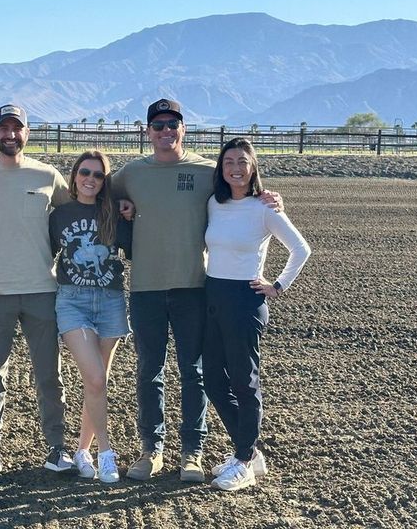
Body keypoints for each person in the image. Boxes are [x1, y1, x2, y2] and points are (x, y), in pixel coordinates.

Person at [112, 99, 282, 483]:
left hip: (193, 287)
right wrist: (121, 205)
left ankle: (192, 452)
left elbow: (243, 186)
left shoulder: (207, 171)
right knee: (149, 370)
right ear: (147, 131)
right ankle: (151, 449)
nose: (165, 131)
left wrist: (271, 198)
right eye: (158, 125)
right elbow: (94, 189)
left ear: (183, 129)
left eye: (173, 124)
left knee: (194, 370)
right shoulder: (131, 173)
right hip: (145, 288)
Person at [0, 104, 74, 476]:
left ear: (27, 133)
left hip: (42, 289)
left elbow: (76, 215)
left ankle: (57, 448)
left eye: (17, 128)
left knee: (49, 373)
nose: (10, 134)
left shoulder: (48, 175)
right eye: (3, 128)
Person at [203, 137, 311, 491]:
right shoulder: (213, 204)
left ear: (253, 168)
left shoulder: (265, 208)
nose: (235, 167)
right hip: (213, 295)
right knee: (214, 382)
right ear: (221, 167)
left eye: (242, 162)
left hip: (244, 301)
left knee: (243, 383)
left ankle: (245, 462)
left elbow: (300, 248)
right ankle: (248, 452)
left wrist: (277, 286)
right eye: (229, 161)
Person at [49, 150, 133, 484]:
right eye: (85, 172)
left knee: (95, 382)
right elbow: (43, 251)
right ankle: (106, 452)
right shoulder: (59, 215)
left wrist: (132, 211)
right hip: (72, 301)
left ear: (104, 181)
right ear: (74, 175)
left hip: (111, 300)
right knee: (96, 379)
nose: (90, 179)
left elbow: (134, 248)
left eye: (98, 175)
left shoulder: (114, 212)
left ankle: (82, 450)